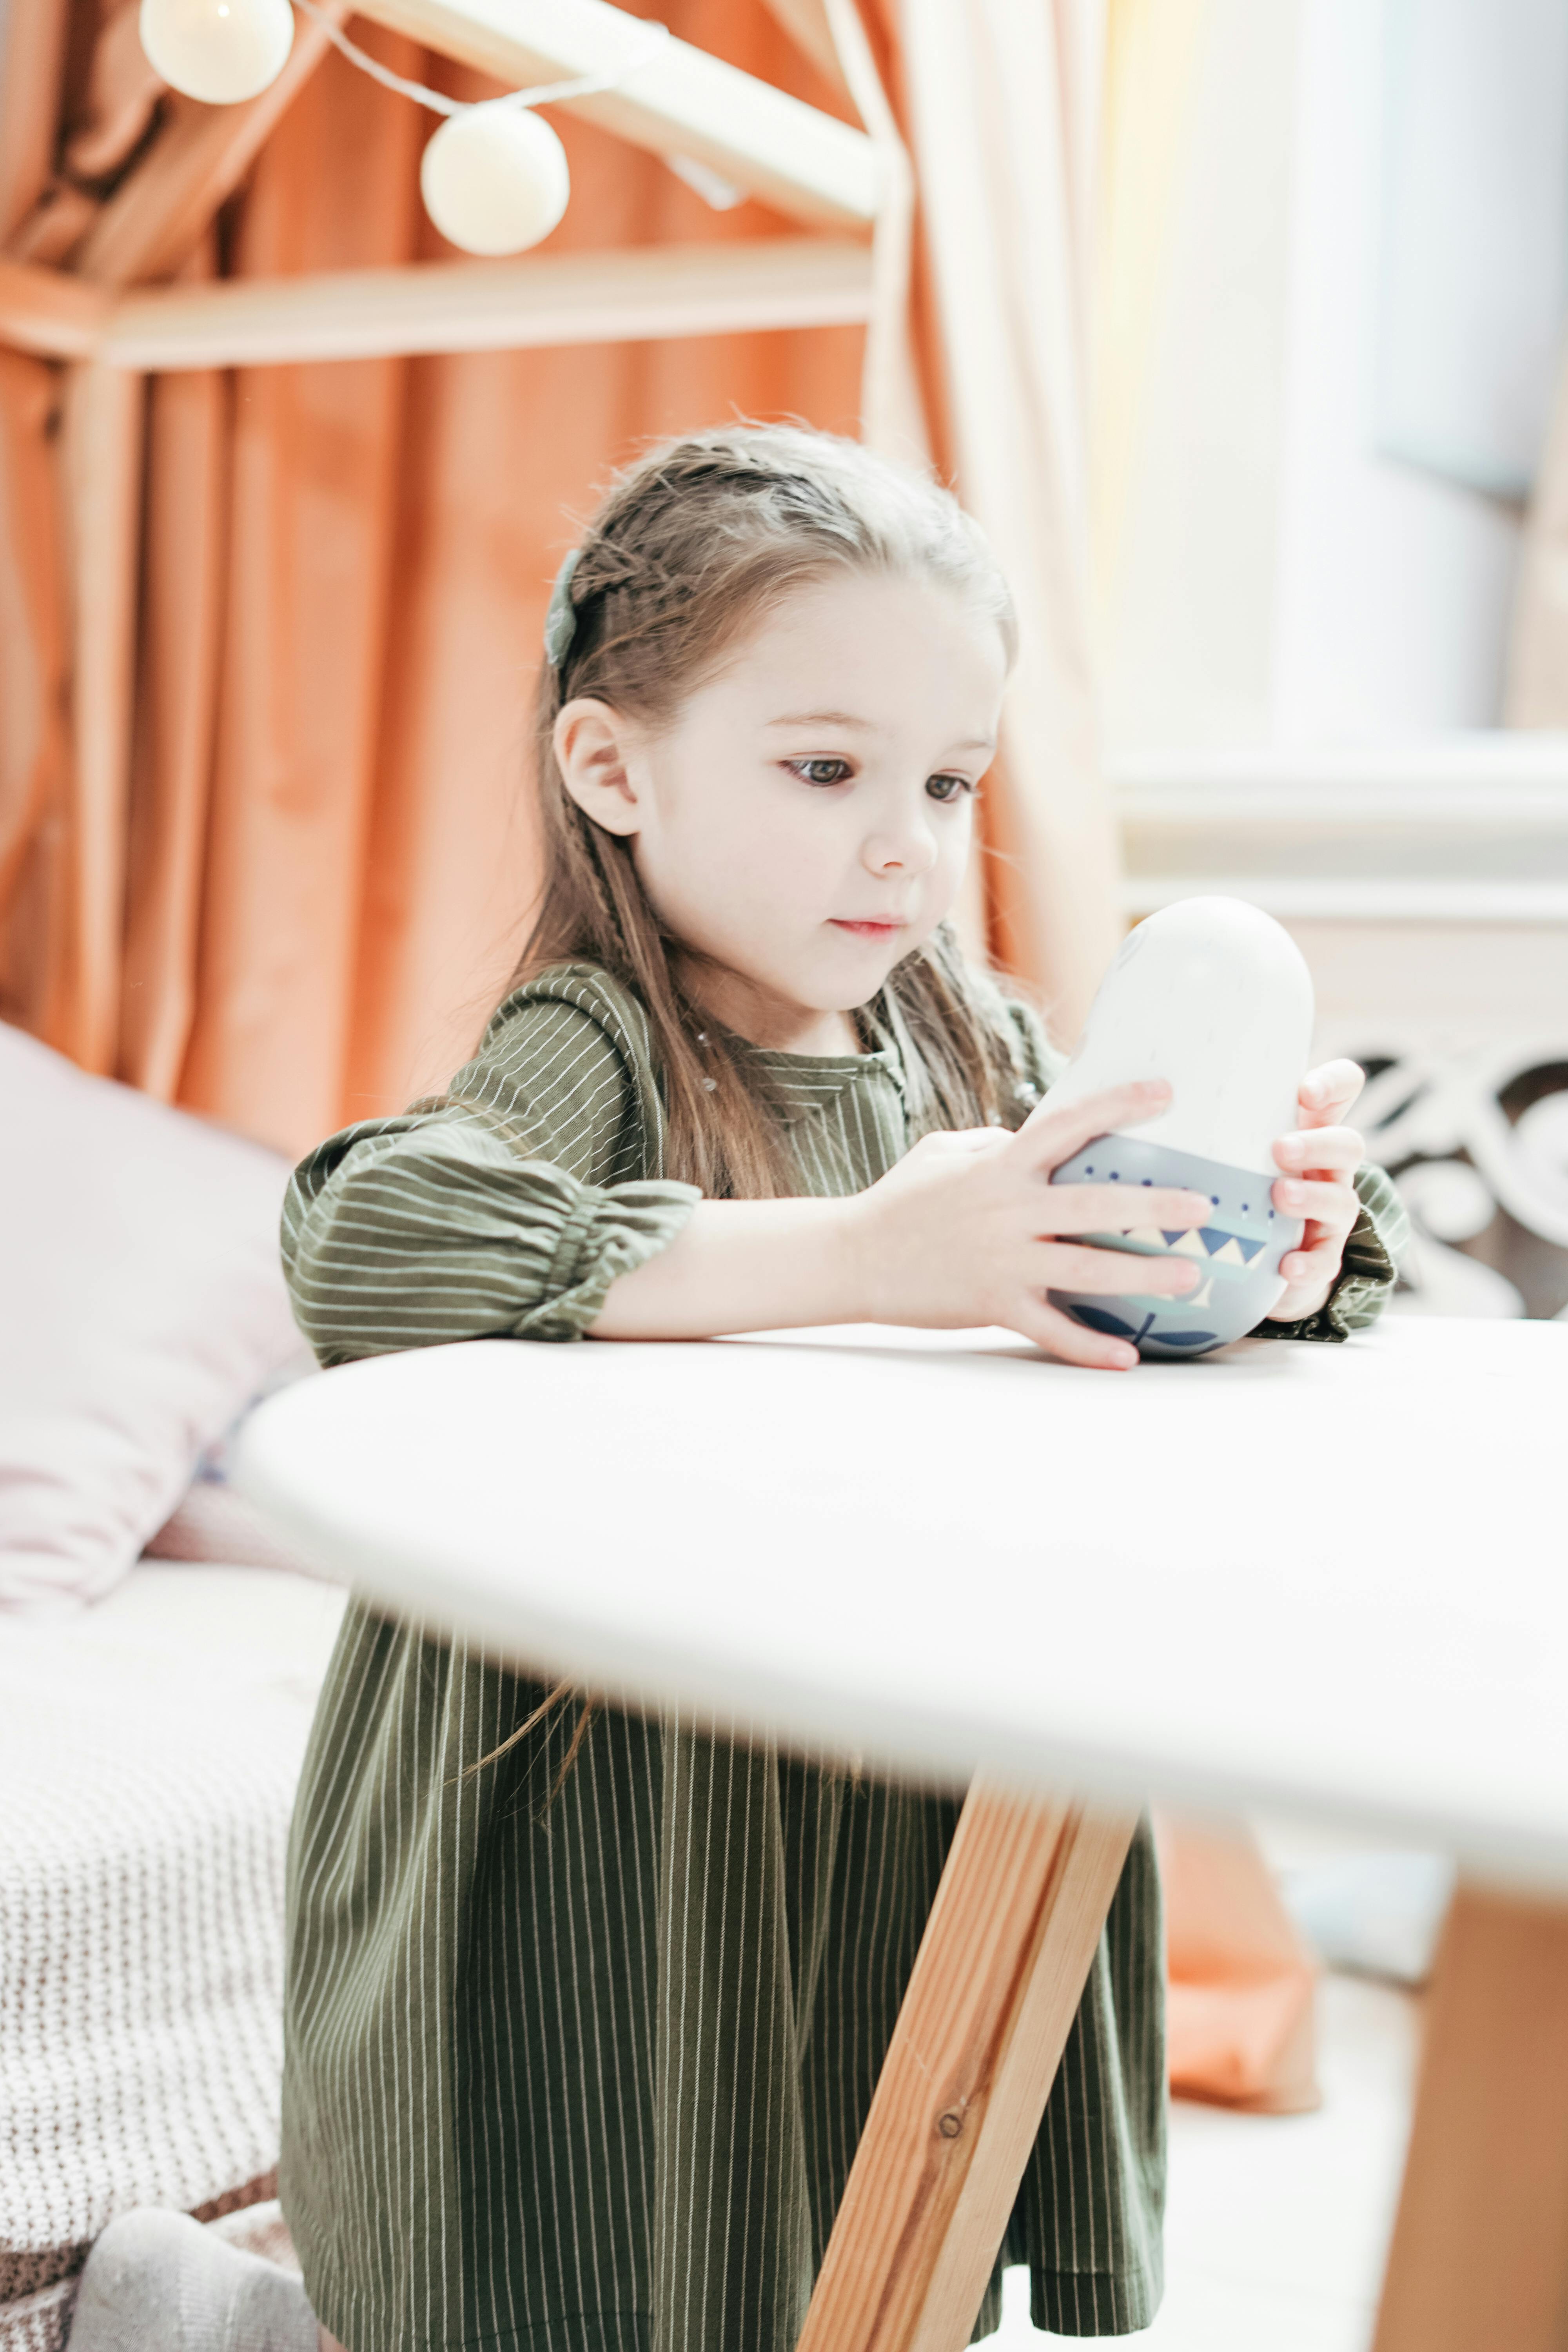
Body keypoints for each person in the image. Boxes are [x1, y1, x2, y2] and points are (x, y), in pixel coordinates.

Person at [69, 425, 1404, 2352]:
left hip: (888, 1745)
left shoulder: (992, 1048)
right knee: (601, 2222)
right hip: (624, 1790)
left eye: (948, 782)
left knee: (850, 2198)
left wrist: (1263, 1253)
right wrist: (879, 1253)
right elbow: (374, 1238)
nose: (903, 844)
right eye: (822, 770)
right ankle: (228, 2317)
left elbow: (1133, 1307)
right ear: (611, 768)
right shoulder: (597, 1037)